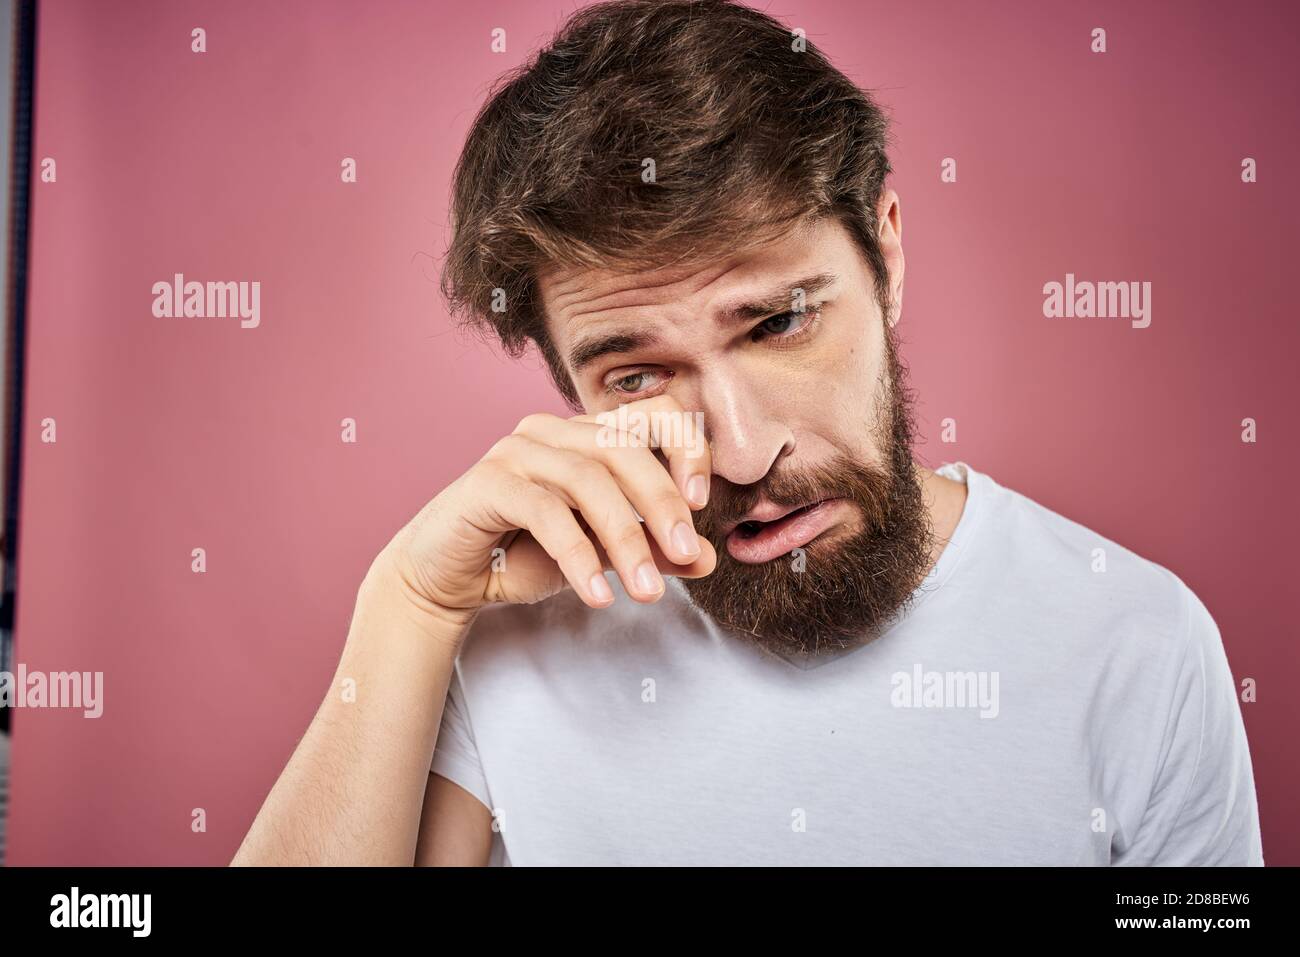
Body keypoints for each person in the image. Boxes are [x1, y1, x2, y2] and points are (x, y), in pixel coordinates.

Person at [232, 0, 1262, 866]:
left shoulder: (1136, 644)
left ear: (886, 252)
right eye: (636, 374)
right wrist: (406, 604)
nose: (737, 452)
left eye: (778, 323)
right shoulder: (504, 646)